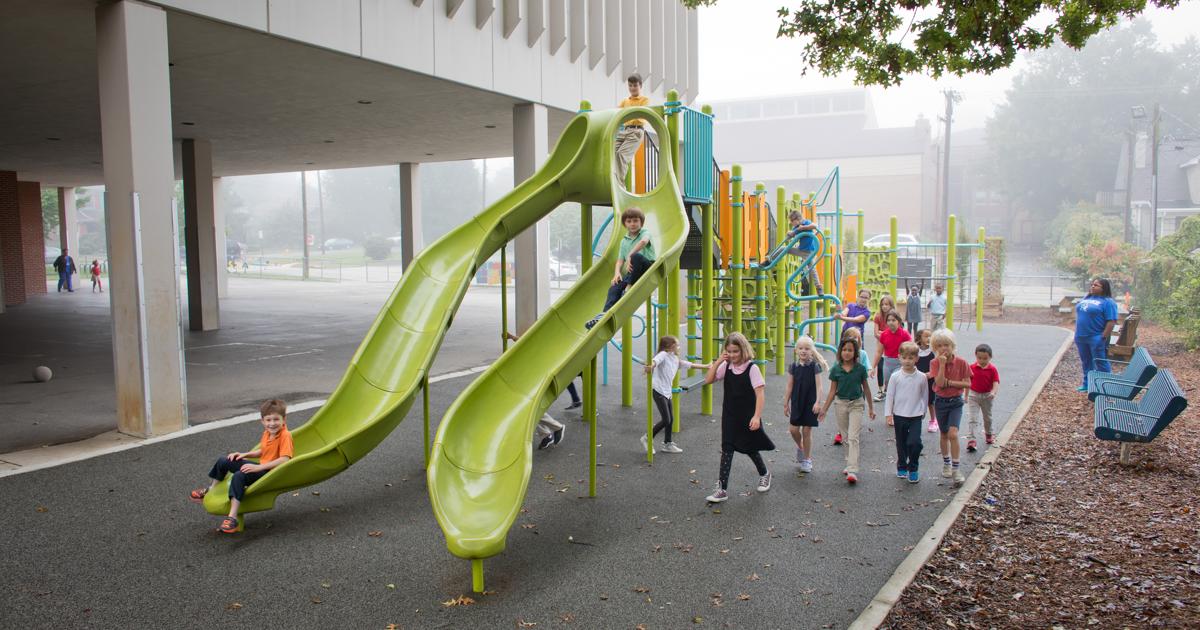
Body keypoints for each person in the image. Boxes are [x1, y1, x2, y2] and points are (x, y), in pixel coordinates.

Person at [190, 399, 293, 533]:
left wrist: (258, 468)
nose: (272, 423)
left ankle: (232, 518)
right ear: (262, 421)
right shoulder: (267, 433)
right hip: (262, 468)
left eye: (276, 419)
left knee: (240, 475)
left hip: (271, 473)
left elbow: (285, 459)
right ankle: (211, 489)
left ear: (284, 419)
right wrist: (244, 455)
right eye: (268, 420)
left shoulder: (285, 435)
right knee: (224, 460)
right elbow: (263, 451)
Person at [702, 333, 775, 503]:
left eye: (736, 351)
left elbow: (760, 395)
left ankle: (765, 474)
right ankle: (722, 489)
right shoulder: (726, 367)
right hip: (729, 416)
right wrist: (719, 360)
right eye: (729, 351)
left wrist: (757, 417)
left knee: (750, 447)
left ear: (743, 350)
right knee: (727, 448)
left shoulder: (752, 368)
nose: (733, 355)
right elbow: (708, 379)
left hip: (748, 416)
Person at [586, 207, 656, 329]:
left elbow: (644, 242)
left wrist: (630, 255)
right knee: (614, 287)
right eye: (629, 221)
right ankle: (604, 315)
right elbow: (619, 261)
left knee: (636, 257)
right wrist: (617, 273)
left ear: (641, 222)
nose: (632, 224)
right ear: (625, 223)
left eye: (635, 221)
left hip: (647, 267)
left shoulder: (645, 233)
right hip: (633, 274)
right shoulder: (624, 241)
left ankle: (629, 287)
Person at [818, 337, 875, 485]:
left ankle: (852, 469)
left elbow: (866, 388)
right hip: (840, 404)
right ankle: (848, 461)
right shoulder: (836, 369)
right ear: (840, 352)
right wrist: (824, 409)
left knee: (853, 437)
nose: (847, 353)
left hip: (857, 403)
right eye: (844, 350)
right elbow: (832, 392)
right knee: (844, 437)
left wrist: (871, 407)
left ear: (855, 352)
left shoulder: (860, 369)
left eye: (850, 350)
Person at [643, 335, 710, 454]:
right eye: (677, 345)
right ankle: (647, 438)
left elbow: (690, 365)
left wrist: (706, 366)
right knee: (666, 419)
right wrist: (651, 366)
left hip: (667, 392)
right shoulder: (664, 354)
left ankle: (667, 444)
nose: (679, 347)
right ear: (670, 347)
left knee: (670, 419)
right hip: (658, 390)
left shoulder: (675, 359)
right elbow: (656, 360)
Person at [928, 329, 971, 486]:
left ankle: (956, 468)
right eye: (939, 345)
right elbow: (939, 383)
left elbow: (967, 383)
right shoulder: (934, 363)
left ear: (952, 345)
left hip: (956, 402)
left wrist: (951, 383)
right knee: (944, 434)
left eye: (946, 345)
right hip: (940, 402)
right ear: (934, 348)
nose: (943, 348)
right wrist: (942, 365)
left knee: (953, 434)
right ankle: (946, 462)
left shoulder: (961, 362)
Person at [783, 336, 826, 473]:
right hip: (797, 402)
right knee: (793, 430)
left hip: (810, 402)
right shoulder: (793, 367)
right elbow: (789, 386)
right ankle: (800, 447)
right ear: (796, 350)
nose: (803, 351)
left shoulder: (815, 366)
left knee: (806, 431)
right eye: (801, 348)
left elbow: (819, 387)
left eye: (807, 349)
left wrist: (818, 402)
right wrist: (786, 403)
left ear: (812, 351)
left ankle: (807, 459)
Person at [506, 332, 582, 410]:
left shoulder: (549, 342)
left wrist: (512, 337)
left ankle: (589, 407)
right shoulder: (550, 341)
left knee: (580, 379)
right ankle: (576, 400)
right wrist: (512, 337)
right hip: (568, 362)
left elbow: (528, 343)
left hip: (572, 361)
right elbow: (528, 343)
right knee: (567, 378)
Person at [885, 341, 927, 483]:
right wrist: (888, 414)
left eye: (911, 358)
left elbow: (924, 394)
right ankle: (902, 465)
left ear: (916, 358)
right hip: (899, 415)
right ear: (899, 358)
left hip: (916, 415)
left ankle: (913, 468)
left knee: (915, 443)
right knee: (901, 443)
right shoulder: (895, 376)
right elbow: (890, 395)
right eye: (905, 357)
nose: (907, 361)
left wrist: (924, 410)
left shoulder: (922, 377)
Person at [1074, 278, 1118, 393]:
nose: (1092, 286)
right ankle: (1087, 384)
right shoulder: (1088, 297)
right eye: (1092, 284)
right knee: (1086, 361)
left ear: (1104, 288)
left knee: (1100, 361)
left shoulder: (1108, 302)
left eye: (1096, 285)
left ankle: (1106, 386)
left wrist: (1103, 337)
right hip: (1081, 336)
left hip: (1096, 336)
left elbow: (1111, 321)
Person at [834, 327, 872, 446]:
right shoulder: (843, 353)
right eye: (850, 337)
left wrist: (870, 371)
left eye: (855, 337)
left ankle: (853, 430)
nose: (853, 340)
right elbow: (836, 367)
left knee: (857, 408)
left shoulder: (862, 354)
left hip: (858, 387)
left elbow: (867, 366)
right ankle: (842, 431)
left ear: (859, 340)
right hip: (844, 386)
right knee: (843, 412)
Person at [872, 311, 913, 416]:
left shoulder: (905, 335)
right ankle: (891, 412)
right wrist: (873, 367)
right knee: (890, 388)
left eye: (893, 320)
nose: (891, 323)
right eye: (888, 320)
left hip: (900, 363)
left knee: (898, 387)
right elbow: (878, 352)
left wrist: (909, 364)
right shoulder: (884, 334)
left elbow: (911, 350)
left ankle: (898, 412)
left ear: (899, 322)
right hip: (887, 362)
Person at [614, 73, 649, 183]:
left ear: (640, 86)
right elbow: (616, 113)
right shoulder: (625, 101)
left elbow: (641, 116)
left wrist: (628, 114)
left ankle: (620, 184)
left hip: (636, 131)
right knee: (611, 152)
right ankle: (613, 179)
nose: (632, 88)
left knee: (621, 155)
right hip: (624, 131)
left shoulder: (644, 100)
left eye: (635, 85)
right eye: (630, 85)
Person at [965, 343, 1000, 452]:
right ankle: (971, 439)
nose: (982, 360)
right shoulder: (972, 367)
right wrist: (966, 395)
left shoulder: (992, 369)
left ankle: (989, 434)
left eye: (985, 358)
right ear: (976, 356)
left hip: (987, 396)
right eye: (979, 358)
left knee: (987, 417)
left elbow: (996, 382)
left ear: (990, 357)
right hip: (974, 395)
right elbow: (967, 382)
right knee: (972, 418)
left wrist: (993, 392)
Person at [784, 210, 823, 295]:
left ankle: (819, 287)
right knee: (784, 249)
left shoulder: (806, 223)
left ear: (797, 219)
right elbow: (792, 233)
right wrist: (790, 233)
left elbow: (815, 225)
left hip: (809, 253)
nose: (791, 223)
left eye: (792, 221)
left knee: (812, 269)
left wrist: (803, 228)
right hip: (800, 250)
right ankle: (770, 259)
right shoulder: (796, 228)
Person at [871, 295, 897, 401]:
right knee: (880, 367)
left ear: (891, 305)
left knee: (891, 369)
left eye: (886, 304)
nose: (884, 307)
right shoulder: (878, 316)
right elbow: (876, 333)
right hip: (881, 344)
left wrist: (883, 333)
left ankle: (887, 389)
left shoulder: (895, 316)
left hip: (892, 346)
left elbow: (896, 331)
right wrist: (884, 334)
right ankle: (881, 390)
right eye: (882, 305)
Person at [914, 329, 938, 433]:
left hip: (930, 380)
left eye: (930, 336)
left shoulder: (933, 352)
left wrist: (931, 373)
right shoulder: (916, 351)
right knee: (916, 399)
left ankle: (933, 420)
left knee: (930, 401)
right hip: (917, 379)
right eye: (926, 336)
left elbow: (937, 365)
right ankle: (915, 419)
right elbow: (912, 363)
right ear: (919, 338)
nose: (928, 338)